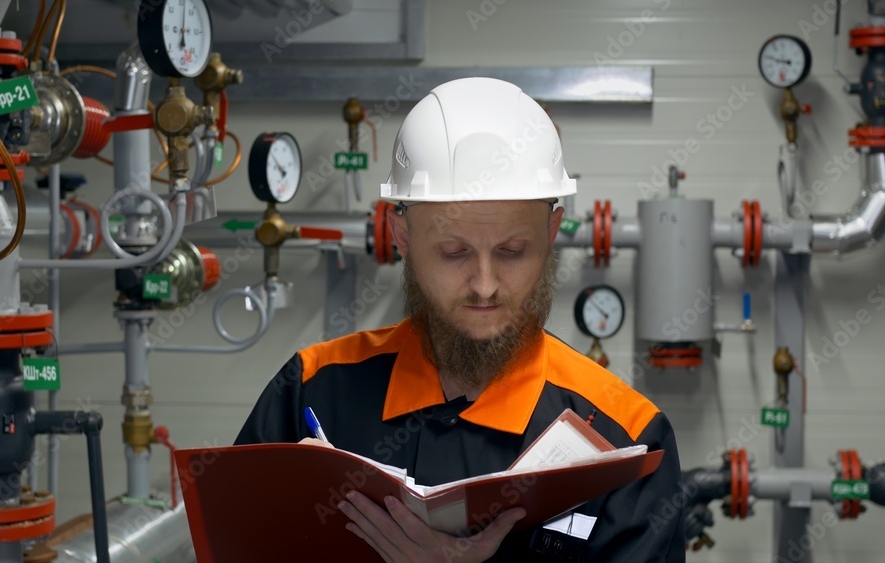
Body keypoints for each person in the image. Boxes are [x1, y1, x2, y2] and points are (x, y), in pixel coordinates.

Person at [235, 77, 685, 562]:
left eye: (513, 251)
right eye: (454, 252)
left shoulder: (626, 442)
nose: (485, 284)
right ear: (401, 234)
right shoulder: (313, 389)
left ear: (552, 233)